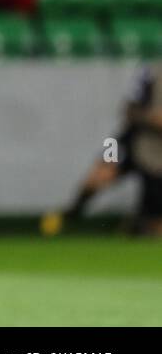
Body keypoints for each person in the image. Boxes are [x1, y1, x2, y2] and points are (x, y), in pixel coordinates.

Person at [42, 64, 162, 238]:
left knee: (152, 222)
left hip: (157, 154)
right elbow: (129, 110)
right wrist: (152, 117)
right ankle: (70, 216)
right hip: (128, 138)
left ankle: (138, 224)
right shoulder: (150, 71)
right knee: (99, 174)